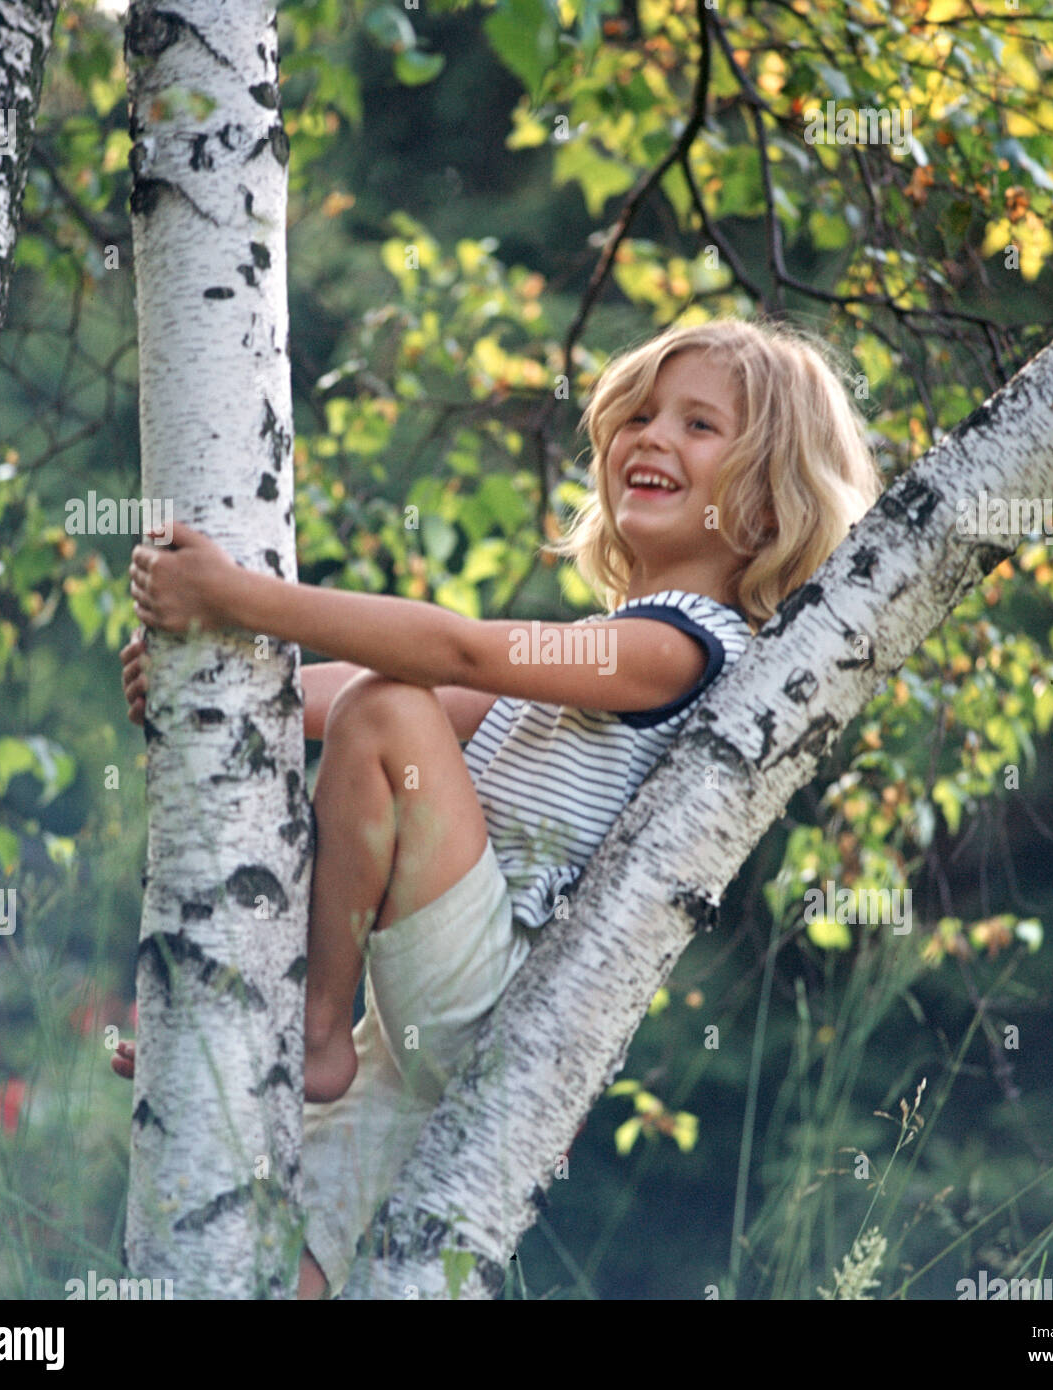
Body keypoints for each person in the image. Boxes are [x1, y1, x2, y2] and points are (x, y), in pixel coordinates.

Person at [114, 315, 882, 1297]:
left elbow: (446, 662)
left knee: (385, 709)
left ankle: (306, 1029)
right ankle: (242, 1040)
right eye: (640, 414)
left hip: (482, 989)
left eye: (699, 426)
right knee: (290, 1265)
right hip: (419, 1033)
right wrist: (200, 683)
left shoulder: (689, 648)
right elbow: (387, 694)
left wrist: (239, 600)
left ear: (770, 496)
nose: (651, 437)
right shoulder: (602, 646)